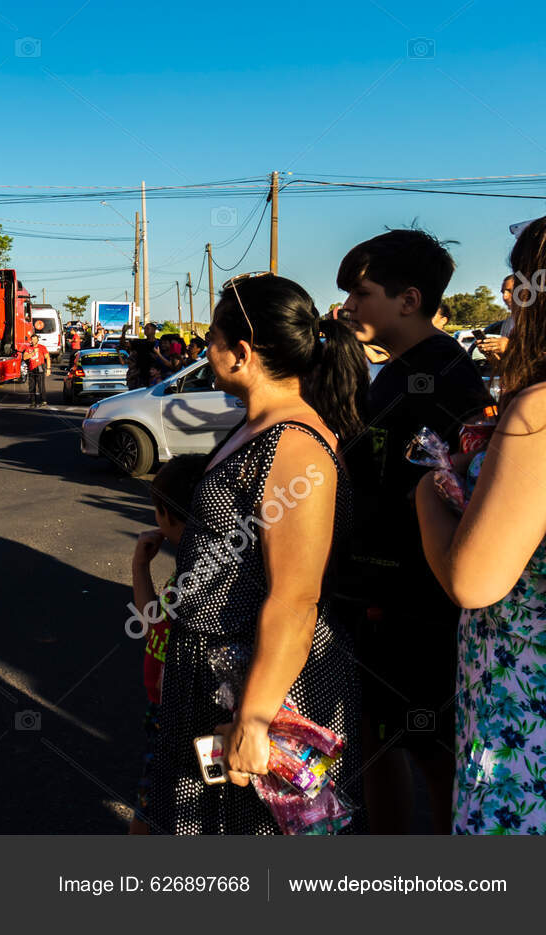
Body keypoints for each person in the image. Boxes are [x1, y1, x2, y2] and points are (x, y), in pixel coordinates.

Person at [143, 273, 367, 835]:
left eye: (212, 339)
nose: (205, 351)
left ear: (241, 352)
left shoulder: (294, 444)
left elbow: (296, 597)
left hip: (264, 686)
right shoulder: (257, 426)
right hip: (216, 674)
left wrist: (255, 718)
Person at [335, 228, 493, 834]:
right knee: (375, 743)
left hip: (420, 607)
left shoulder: (448, 376)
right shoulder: (396, 371)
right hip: (376, 596)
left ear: (409, 299)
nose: (349, 306)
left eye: (362, 292)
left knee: (432, 751)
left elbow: (462, 492)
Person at [417, 216, 546, 834]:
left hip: (525, 721)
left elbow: (474, 580)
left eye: (519, 280)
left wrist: (428, 495)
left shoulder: (540, 410)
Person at [128, 452, 206, 835]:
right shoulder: (194, 564)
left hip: (178, 712)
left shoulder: (197, 574)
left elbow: (150, 626)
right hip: (173, 707)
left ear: (168, 516)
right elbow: (153, 624)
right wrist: (140, 567)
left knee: (154, 805)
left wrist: (139, 566)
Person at [477, 273, 518, 365]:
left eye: (510, 291)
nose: (504, 297)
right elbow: (502, 368)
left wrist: (510, 346)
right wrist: (490, 354)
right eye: (503, 292)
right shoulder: (507, 323)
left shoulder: (539, 322)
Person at [23, 340, 49, 406]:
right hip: (31, 367)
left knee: (41, 385)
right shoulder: (28, 348)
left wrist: (48, 368)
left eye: (35, 339)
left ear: (37, 340)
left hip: (40, 366)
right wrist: (32, 353)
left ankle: (43, 400)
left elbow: (47, 357)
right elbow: (25, 357)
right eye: (32, 339)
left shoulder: (42, 347)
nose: (33, 341)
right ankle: (33, 401)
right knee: (32, 385)